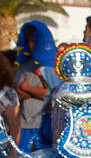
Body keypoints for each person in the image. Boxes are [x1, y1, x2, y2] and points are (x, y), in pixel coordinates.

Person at [12, 20, 60, 148]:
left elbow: (53, 94)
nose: (31, 45)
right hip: (25, 124)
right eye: (29, 42)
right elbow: (16, 92)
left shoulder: (53, 66)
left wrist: (27, 88)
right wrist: (31, 91)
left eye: (34, 42)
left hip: (45, 125)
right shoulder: (25, 65)